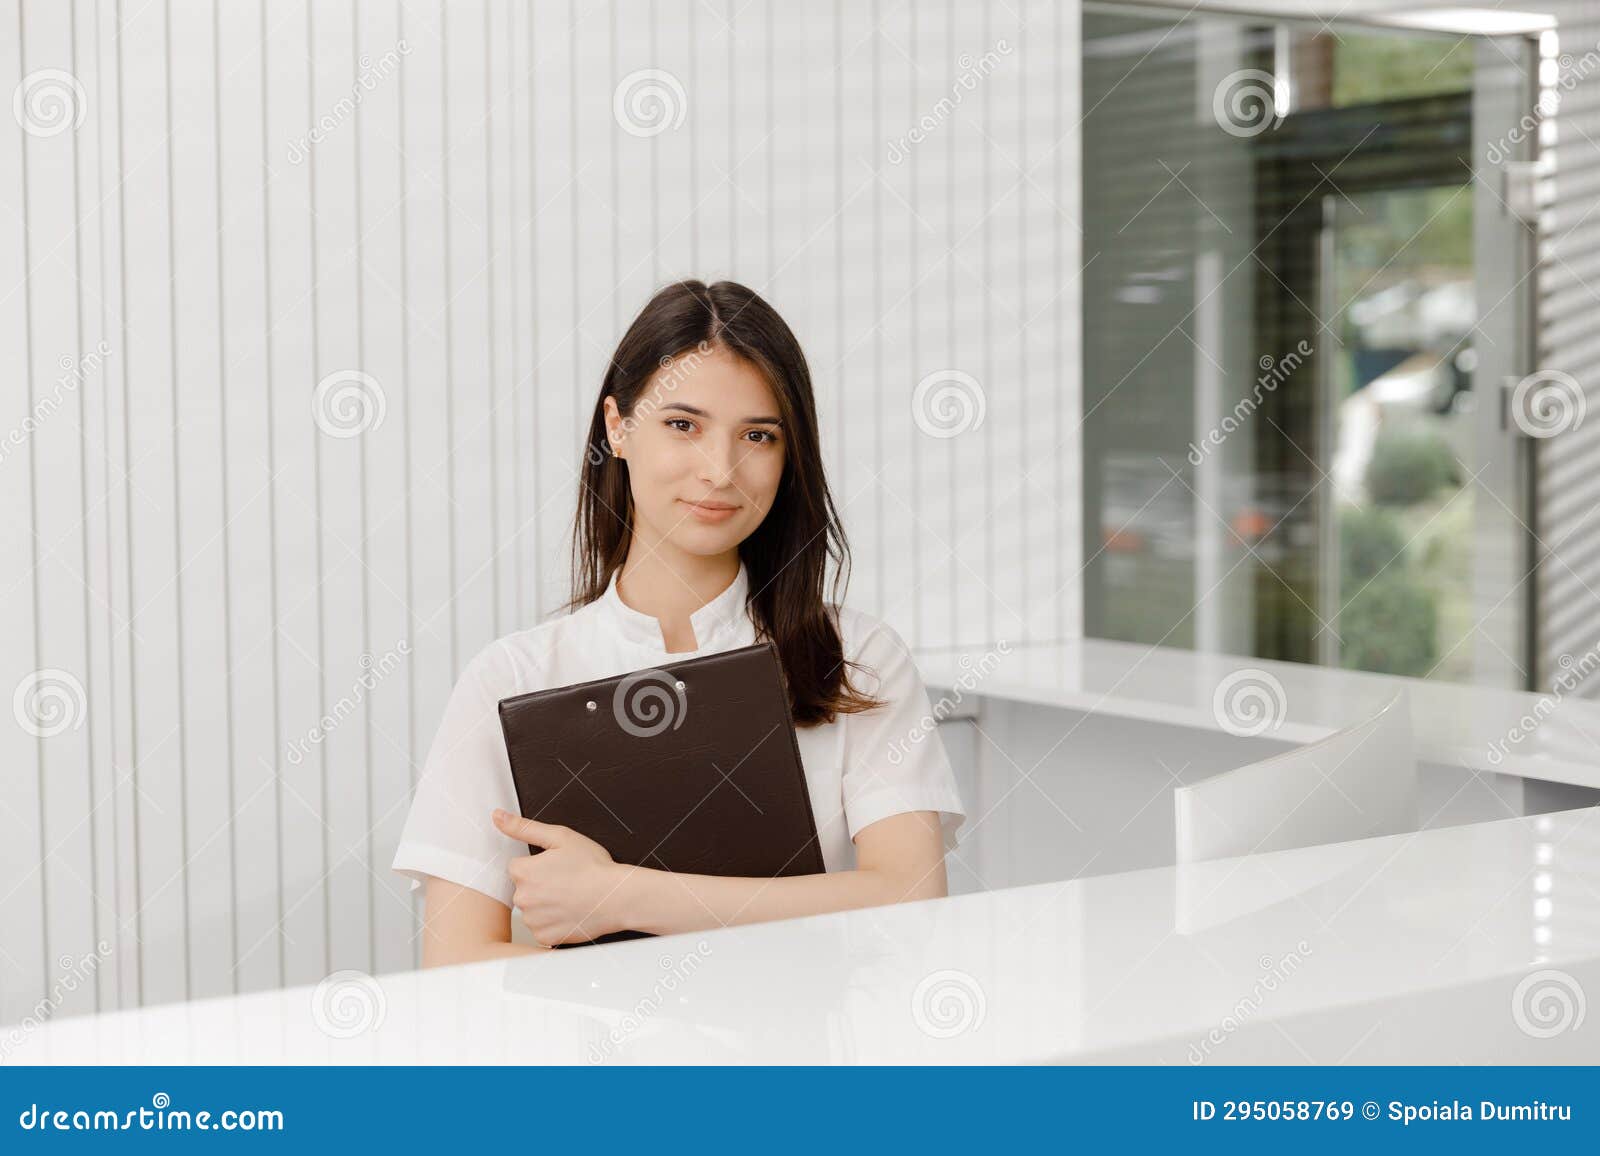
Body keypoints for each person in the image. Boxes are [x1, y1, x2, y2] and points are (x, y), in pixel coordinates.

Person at [391, 279, 967, 964]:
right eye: (683, 425)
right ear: (617, 427)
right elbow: (455, 963)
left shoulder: (855, 657)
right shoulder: (512, 678)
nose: (721, 471)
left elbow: (910, 902)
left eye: (758, 435)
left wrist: (623, 897)